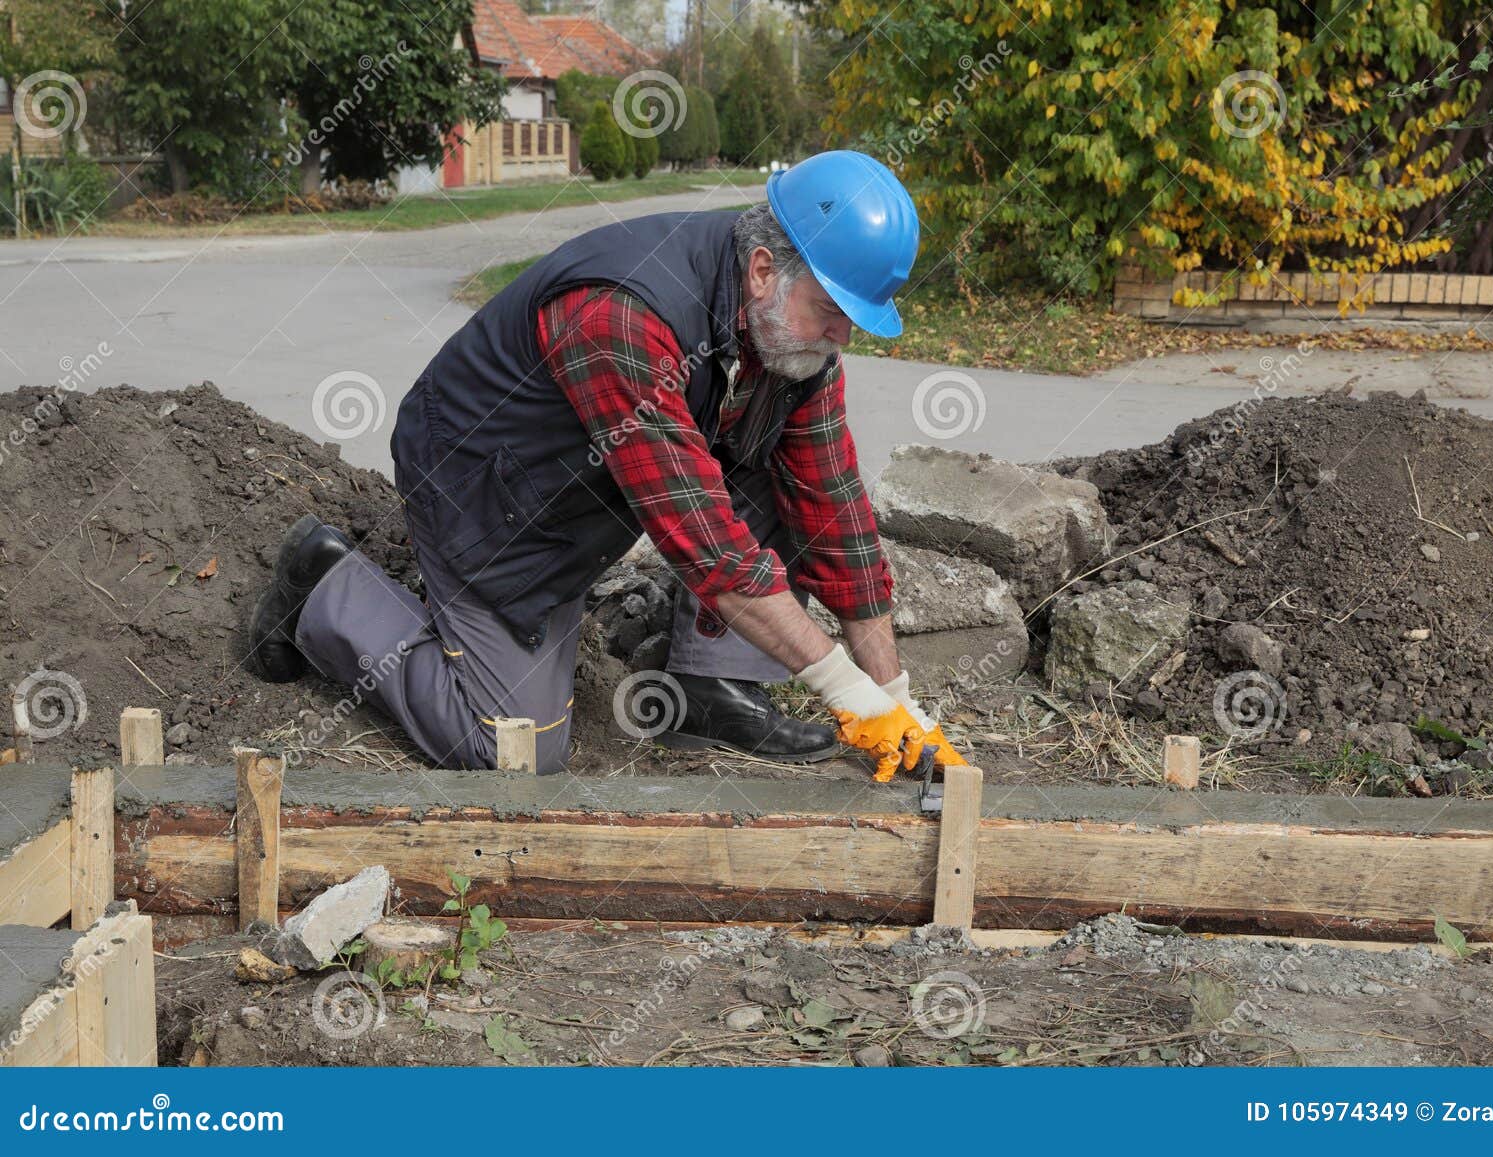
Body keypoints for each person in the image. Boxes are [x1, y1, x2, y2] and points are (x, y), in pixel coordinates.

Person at [247, 150, 966, 780]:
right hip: (485, 484)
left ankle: (712, 687)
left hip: (592, 473)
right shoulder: (623, 315)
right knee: (513, 750)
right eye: (831, 310)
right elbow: (706, 546)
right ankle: (326, 590)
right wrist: (844, 689)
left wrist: (896, 698)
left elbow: (832, 506)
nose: (843, 335)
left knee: (782, 462)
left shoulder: (789, 333)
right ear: (761, 269)